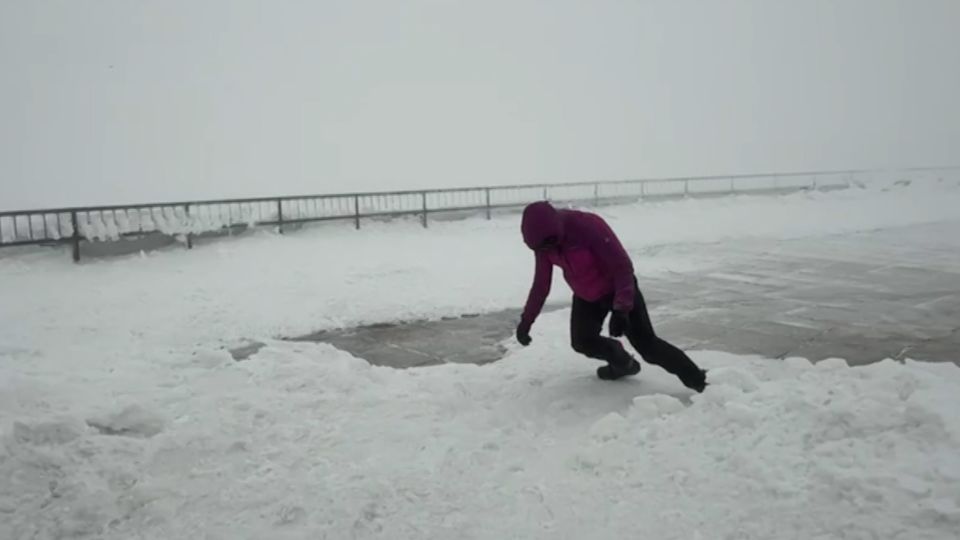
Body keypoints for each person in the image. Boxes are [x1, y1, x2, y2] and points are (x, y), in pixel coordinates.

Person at [516, 201, 707, 392]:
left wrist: (622, 309)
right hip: (586, 295)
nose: (548, 249)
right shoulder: (543, 244)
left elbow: (622, 266)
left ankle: (698, 381)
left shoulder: (587, 226)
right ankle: (623, 364)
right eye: (541, 248)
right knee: (583, 342)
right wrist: (526, 322)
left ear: (556, 228)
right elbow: (541, 285)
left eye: (550, 243)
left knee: (648, 346)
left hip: (618, 288)